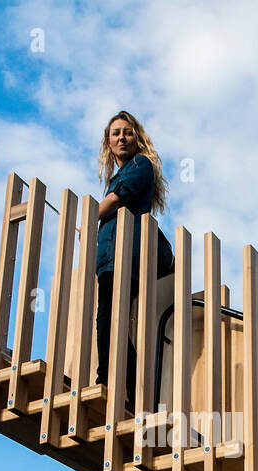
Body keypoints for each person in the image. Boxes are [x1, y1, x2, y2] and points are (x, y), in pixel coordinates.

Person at [92, 110, 175, 408]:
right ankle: (129, 390)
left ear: (136, 137)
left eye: (127, 132)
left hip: (124, 255)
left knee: (109, 317)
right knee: (111, 319)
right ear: (108, 142)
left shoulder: (141, 164)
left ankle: (109, 380)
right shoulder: (120, 173)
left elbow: (117, 198)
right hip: (111, 256)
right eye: (115, 133)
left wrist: (89, 217)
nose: (122, 137)